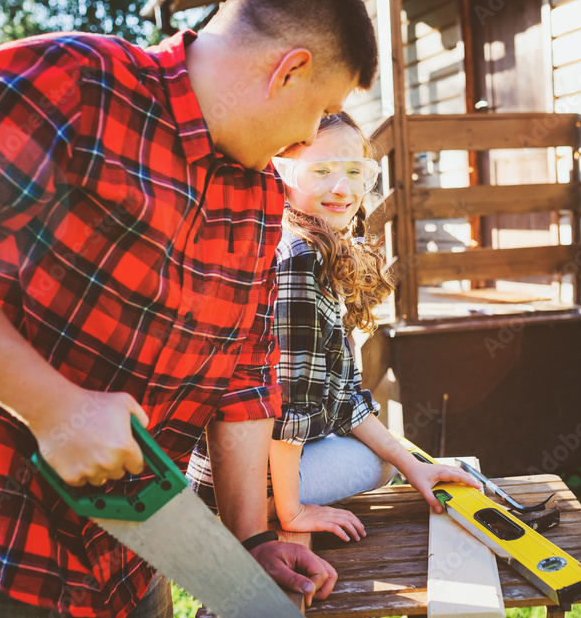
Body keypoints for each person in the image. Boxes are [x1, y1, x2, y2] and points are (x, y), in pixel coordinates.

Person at [0, 0, 377, 617]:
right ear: (286, 70)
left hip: (132, 549)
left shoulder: (259, 193)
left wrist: (251, 539)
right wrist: (53, 407)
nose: (306, 138)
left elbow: (244, 373)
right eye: (319, 110)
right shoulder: (74, 84)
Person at [187, 113, 481, 542]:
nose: (341, 189)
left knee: (390, 458)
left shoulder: (315, 247)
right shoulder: (298, 258)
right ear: (284, 175)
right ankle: (262, 509)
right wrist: (293, 512)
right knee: (376, 464)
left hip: (272, 457)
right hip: (237, 481)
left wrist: (414, 467)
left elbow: (345, 398)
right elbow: (288, 406)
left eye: (354, 172)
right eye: (320, 172)